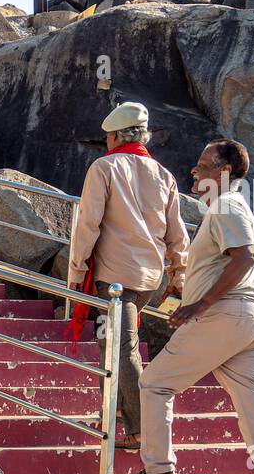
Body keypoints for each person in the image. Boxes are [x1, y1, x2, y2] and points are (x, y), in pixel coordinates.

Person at [117, 139, 254, 474]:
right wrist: (190, 294)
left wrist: (202, 304)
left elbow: (244, 257)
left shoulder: (227, 205)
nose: (195, 171)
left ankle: (158, 468)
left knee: (154, 383)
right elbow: (233, 260)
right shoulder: (233, 206)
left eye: (203, 164)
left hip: (229, 315)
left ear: (224, 172)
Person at [67, 102, 188, 450]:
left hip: (115, 279)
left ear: (115, 137)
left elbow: (87, 224)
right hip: (151, 278)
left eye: (107, 137)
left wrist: (76, 271)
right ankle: (118, 419)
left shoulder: (104, 168)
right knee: (117, 349)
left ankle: (141, 432)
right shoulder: (164, 175)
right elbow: (178, 235)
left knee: (121, 350)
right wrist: (179, 273)